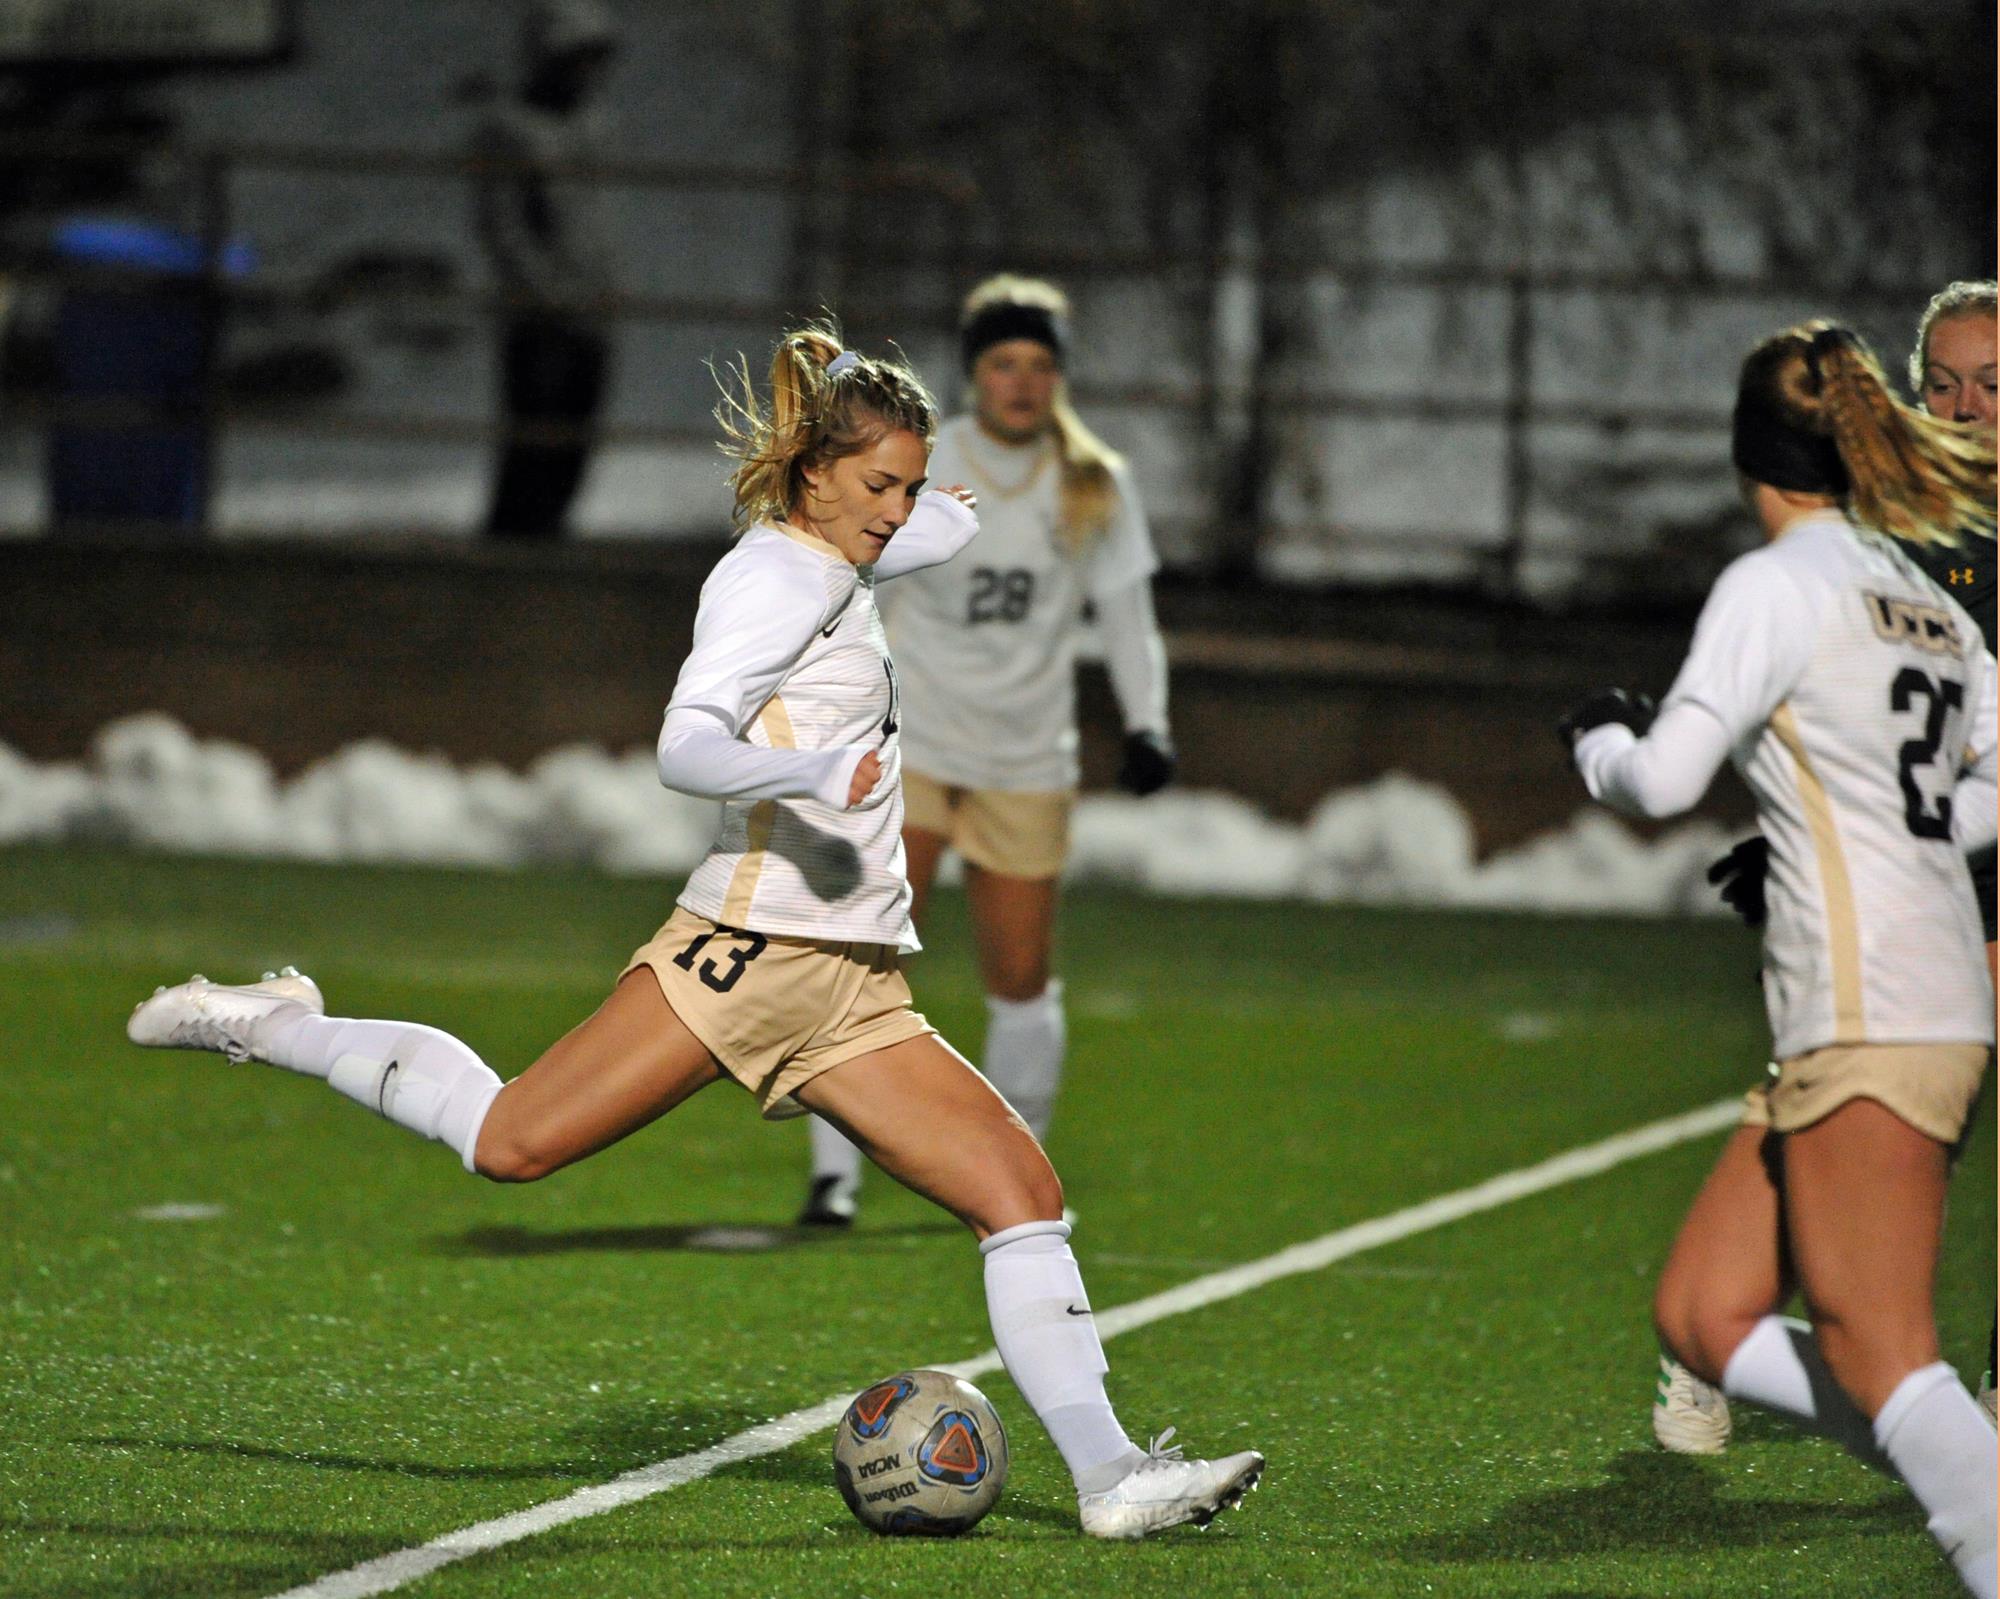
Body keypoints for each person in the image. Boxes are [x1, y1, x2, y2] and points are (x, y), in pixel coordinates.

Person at [124, 322, 1263, 1540]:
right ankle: (280, 1025)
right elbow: (685, 741)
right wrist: (822, 766)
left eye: (908, 484)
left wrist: (927, 494)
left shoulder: (843, 549)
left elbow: (938, 525)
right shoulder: (771, 578)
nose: (898, 509)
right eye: (877, 484)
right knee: (511, 1143)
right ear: (817, 474)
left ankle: (1109, 1479)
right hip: (751, 953)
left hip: (851, 988)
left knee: (1020, 1192)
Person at [1559, 319, 1997, 1595]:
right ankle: (1955, 1459)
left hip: (1873, 1006)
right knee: (1703, 1315)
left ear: (1746, 451)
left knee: (1881, 1348)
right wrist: (1883, 829)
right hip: (1894, 996)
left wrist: (1596, 738)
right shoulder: (1914, 594)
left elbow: (1662, 777)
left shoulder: (1779, 581)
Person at [1659, 282, 2000, 1454]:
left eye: (1990, 384)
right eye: (1941, 381)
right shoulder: (1888, 534)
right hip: (1917, 885)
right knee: (1844, 1099)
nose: (1963, 405)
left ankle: (1951, 1410)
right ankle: (1725, 1342)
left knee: (1883, 1113)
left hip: (1945, 884)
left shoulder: (1883, 549)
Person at [800, 274, 1175, 1227]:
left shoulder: (1095, 480)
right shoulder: (922, 458)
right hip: (913, 744)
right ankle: (833, 1176)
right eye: (1004, 363)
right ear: (973, 373)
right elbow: (847, 573)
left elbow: (1129, 619)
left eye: (1041, 364)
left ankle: (1019, 1177)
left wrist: (1147, 723)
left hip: (1025, 756)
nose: (1022, 382)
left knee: (1018, 975)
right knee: (866, 952)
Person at [470, 0, 620, 541]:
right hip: (540, 313)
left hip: (590, 304)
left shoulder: (590, 124)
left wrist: (602, 288)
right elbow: (503, 225)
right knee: (536, 429)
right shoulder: (511, 130)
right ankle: (515, 536)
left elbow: (593, 216)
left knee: (576, 430)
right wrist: (546, 293)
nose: (588, 73)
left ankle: (549, 530)